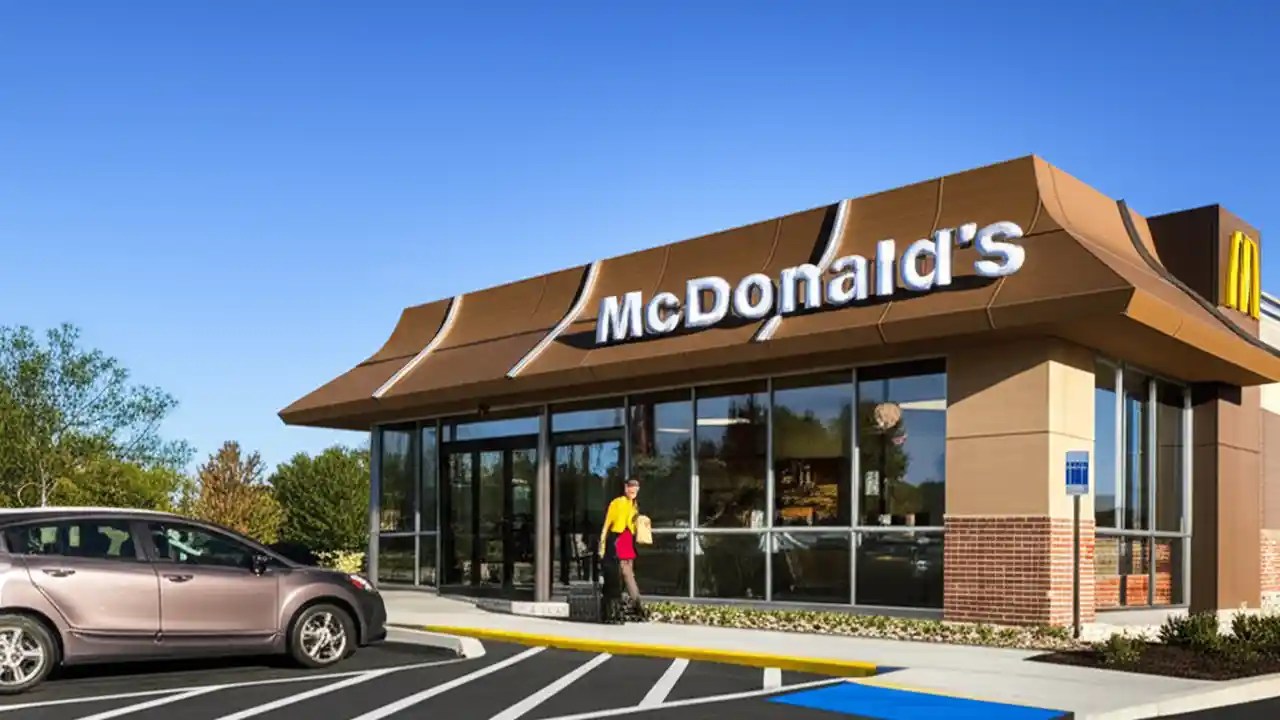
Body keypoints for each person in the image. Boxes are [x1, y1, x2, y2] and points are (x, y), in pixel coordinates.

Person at [598, 478, 646, 621]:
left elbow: (633, 525)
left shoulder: (634, 505)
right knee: (621, 575)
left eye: (636, 487)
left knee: (627, 575)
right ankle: (634, 606)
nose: (633, 489)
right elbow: (607, 525)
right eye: (631, 486)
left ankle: (635, 606)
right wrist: (602, 545)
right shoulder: (617, 503)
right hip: (617, 539)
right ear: (625, 488)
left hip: (627, 540)